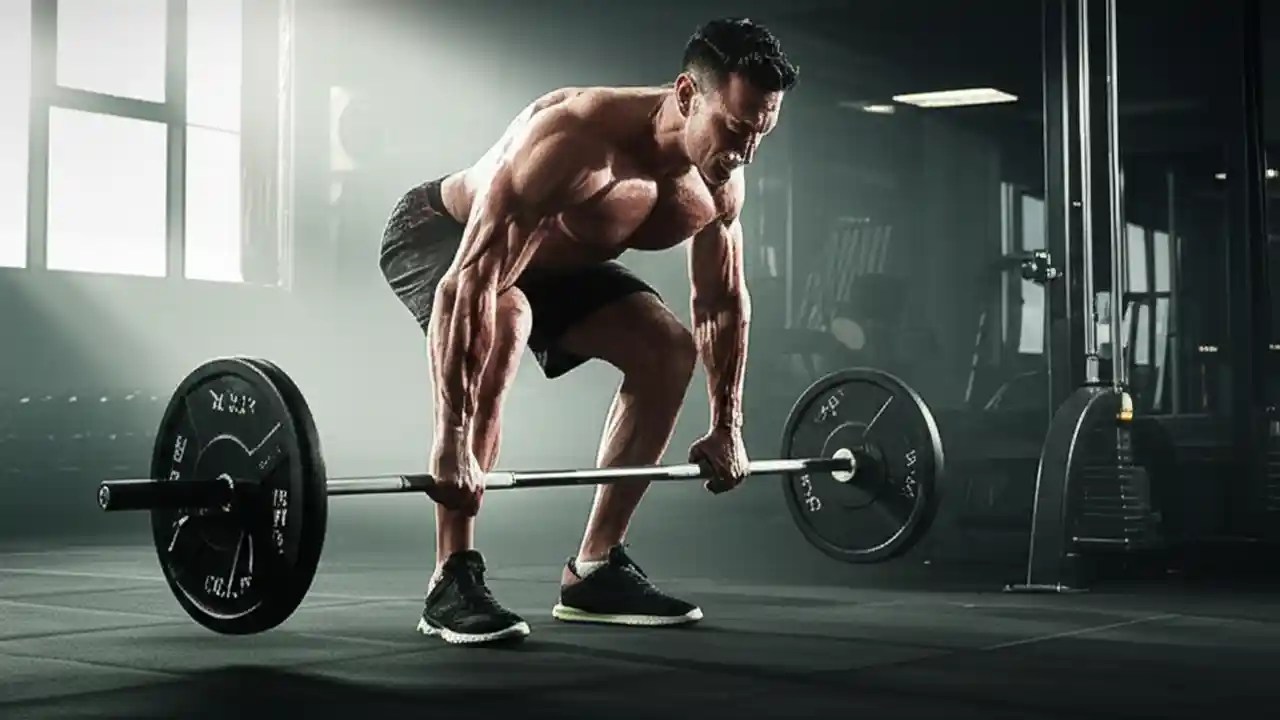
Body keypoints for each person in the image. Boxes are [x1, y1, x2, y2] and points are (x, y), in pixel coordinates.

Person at [378, 17, 798, 645]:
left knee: (668, 348)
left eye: (760, 132)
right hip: (445, 237)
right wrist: (451, 441)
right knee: (506, 317)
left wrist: (727, 425)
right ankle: (452, 576)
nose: (744, 151)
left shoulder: (719, 180)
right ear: (688, 96)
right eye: (735, 128)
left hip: (560, 260)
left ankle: (595, 570)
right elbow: (467, 286)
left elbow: (721, 302)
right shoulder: (573, 140)